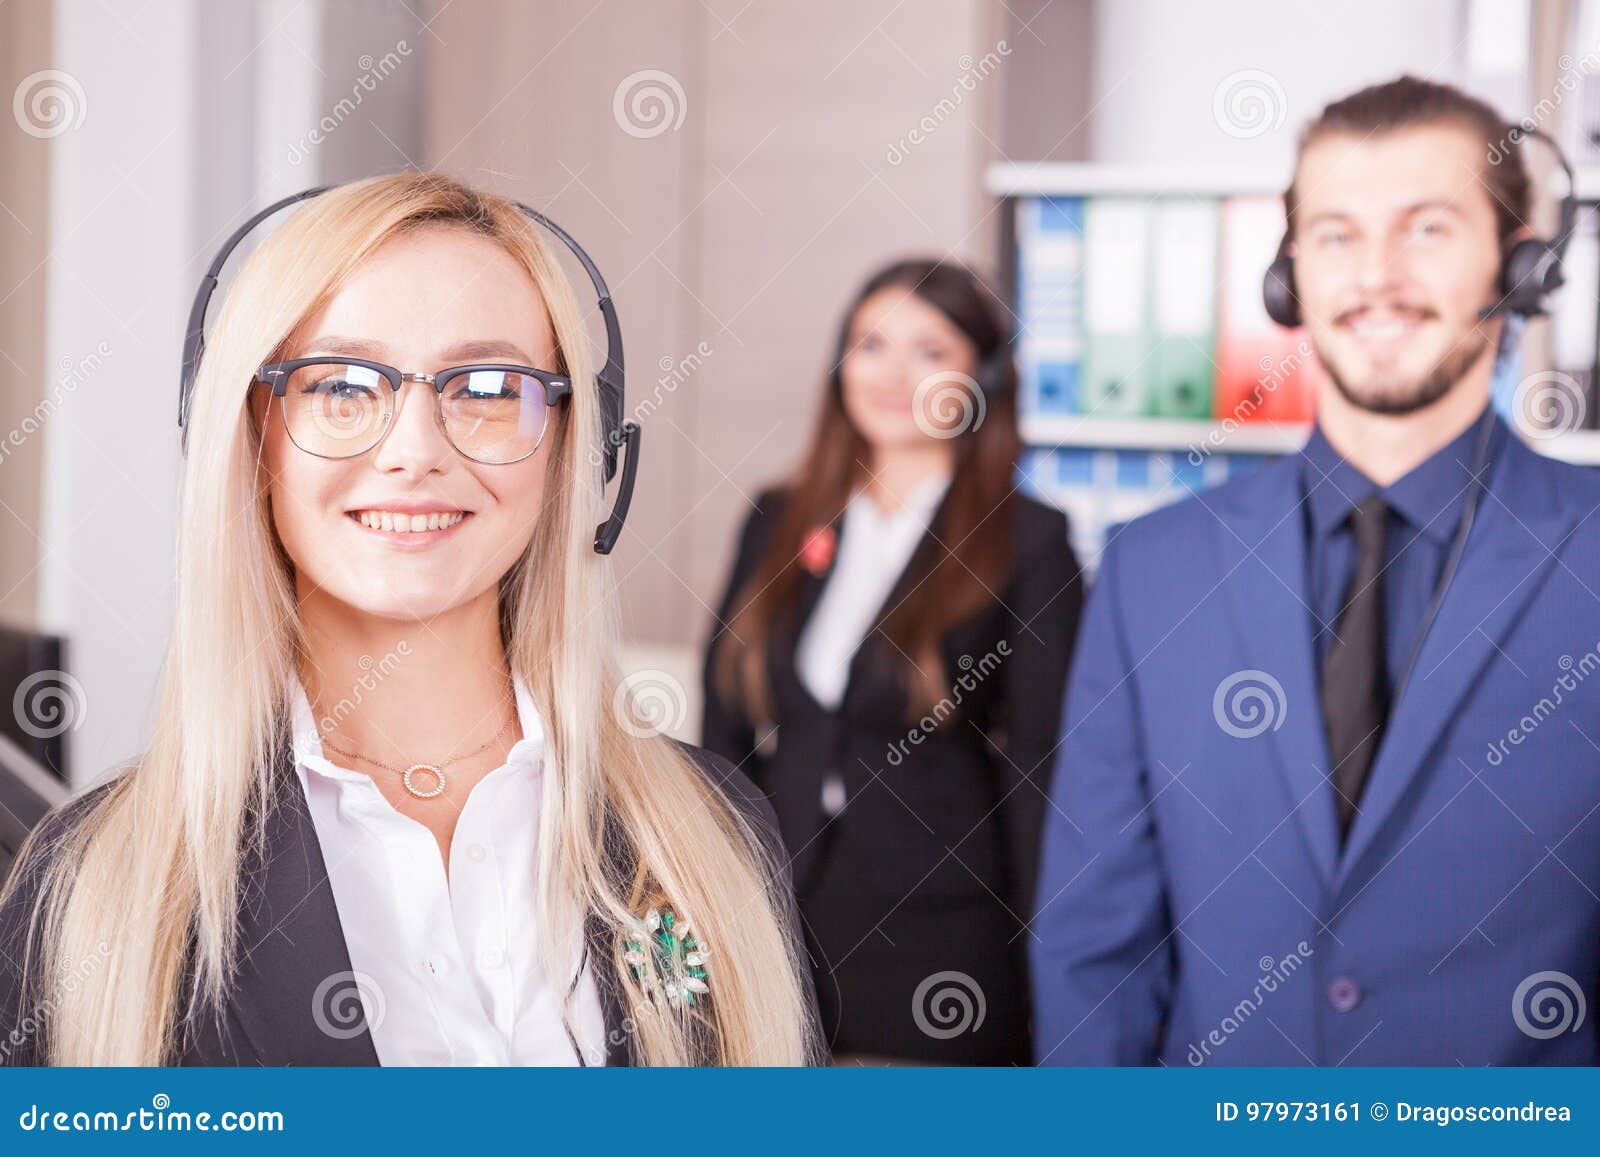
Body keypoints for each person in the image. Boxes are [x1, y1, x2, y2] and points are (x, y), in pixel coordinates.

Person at [0, 172, 821, 1066]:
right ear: (249, 439)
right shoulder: (85, 888)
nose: (415, 451)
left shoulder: (716, 832)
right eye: (343, 385)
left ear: (573, 447)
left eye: (488, 387)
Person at [1032, 76, 1600, 1066]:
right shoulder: (1152, 568)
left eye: (1427, 228)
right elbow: (1094, 953)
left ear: (1521, 264)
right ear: (1286, 275)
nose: (1376, 275)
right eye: (1336, 234)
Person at [703, 259, 1084, 1063]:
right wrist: (717, 895)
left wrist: (1050, 964)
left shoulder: (1029, 539)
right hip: (780, 917)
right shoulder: (779, 517)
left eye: (929, 351)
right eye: (871, 344)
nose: (892, 374)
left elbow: (1042, 768)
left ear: (981, 377)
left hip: (941, 934)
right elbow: (721, 731)